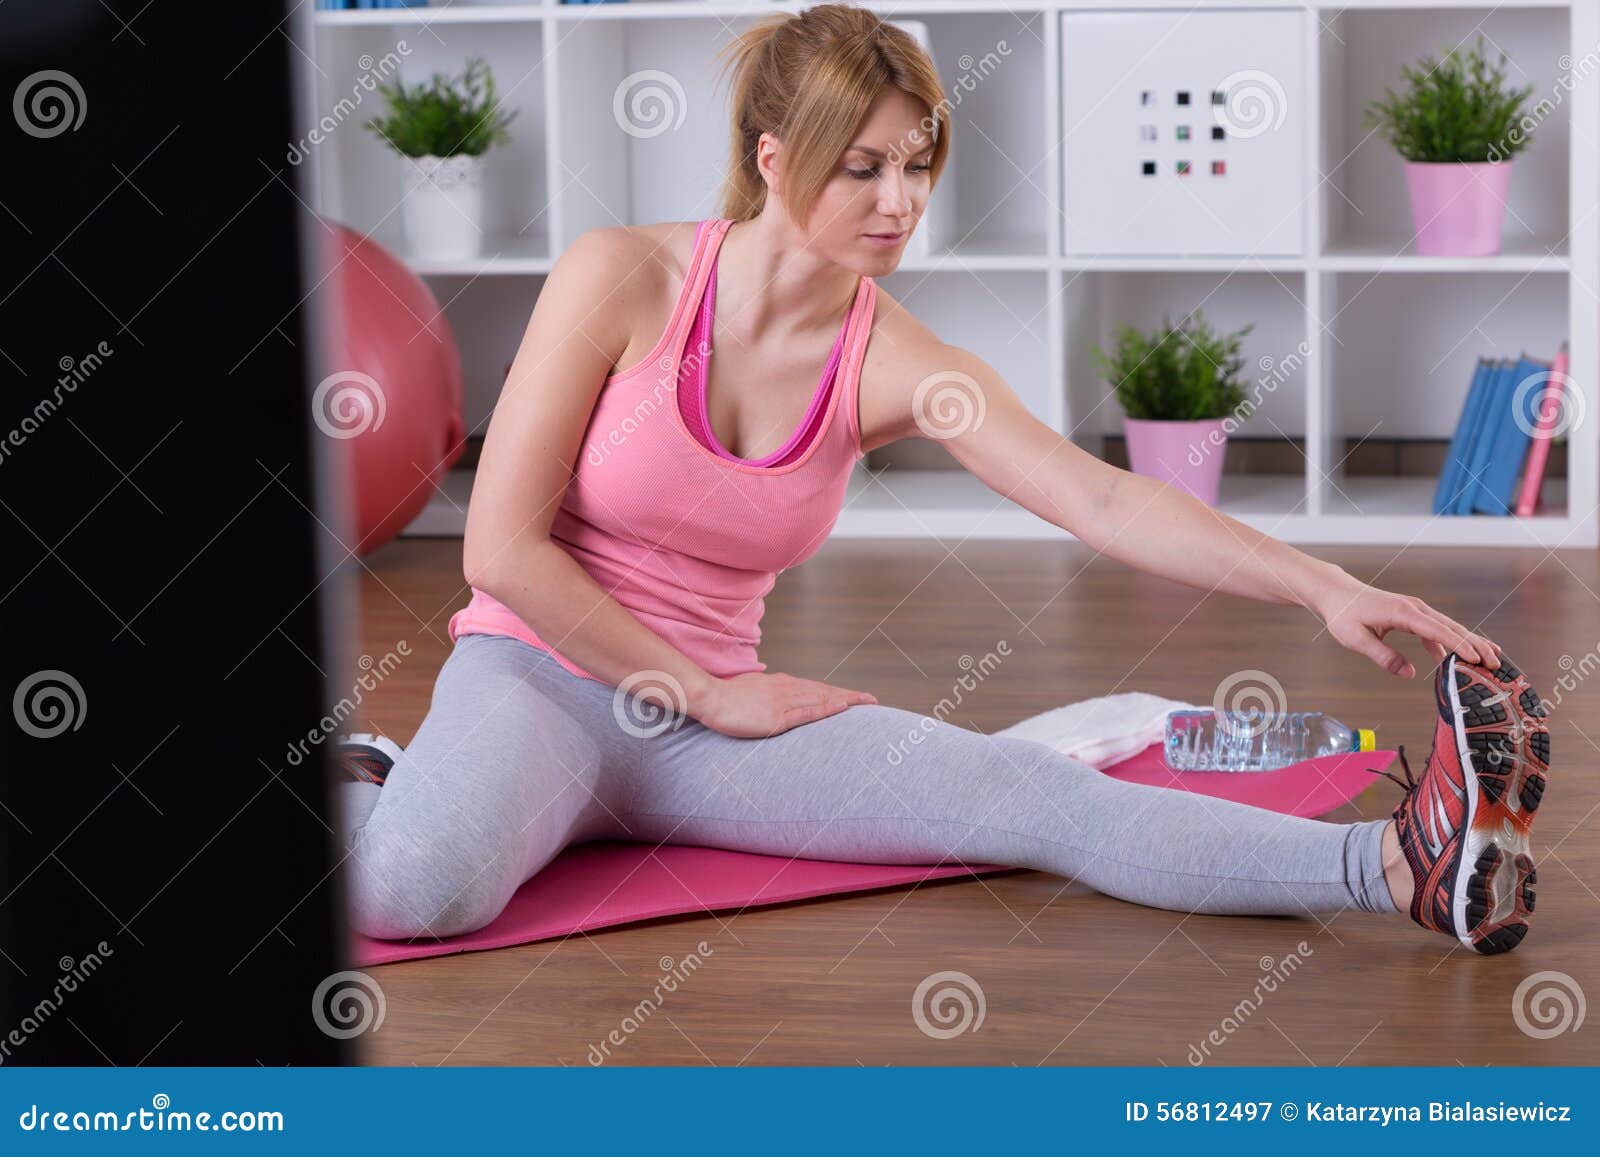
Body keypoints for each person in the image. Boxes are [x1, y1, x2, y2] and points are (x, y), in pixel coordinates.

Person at [336, 4, 1549, 956]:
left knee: (1031, 801)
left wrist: (1319, 582)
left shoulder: (897, 359)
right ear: (772, 158)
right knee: (411, 886)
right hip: (543, 678)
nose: (899, 201)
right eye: (862, 169)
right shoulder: (624, 279)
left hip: (722, 721)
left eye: (916, 166)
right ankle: (374, 780)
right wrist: (703, 695)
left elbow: (1102, 497)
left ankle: (1404, 866)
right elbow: (499, 548)